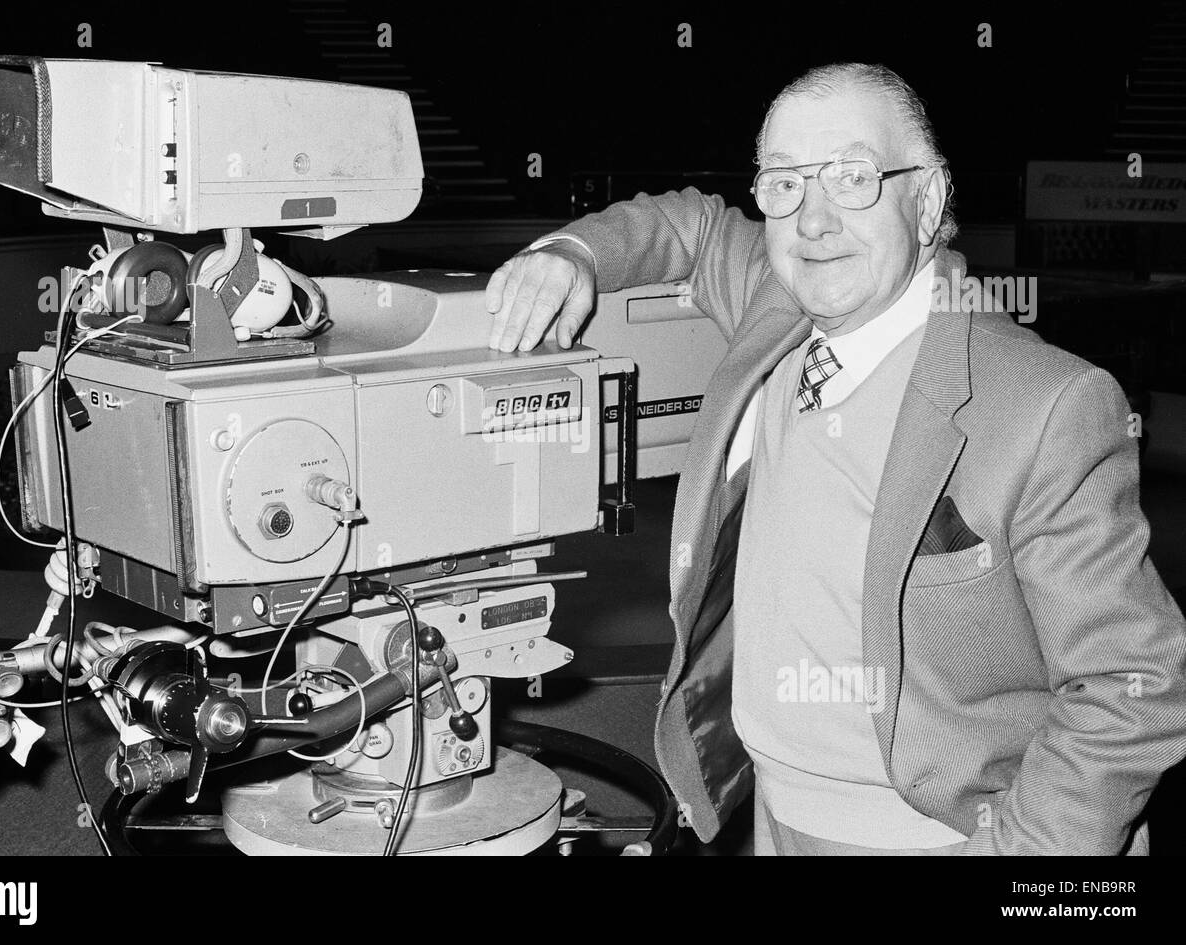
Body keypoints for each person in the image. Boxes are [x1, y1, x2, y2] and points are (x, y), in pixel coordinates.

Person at [485, 62, 1186, 855]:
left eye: (853, 178)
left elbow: (1135, 686)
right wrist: (571, 252)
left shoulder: (1047, 402)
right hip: (771, 815)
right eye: (784, 183)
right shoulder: (780, 296)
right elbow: (693, 224)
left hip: (943, 835)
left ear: (926, 200)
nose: (812, 221)